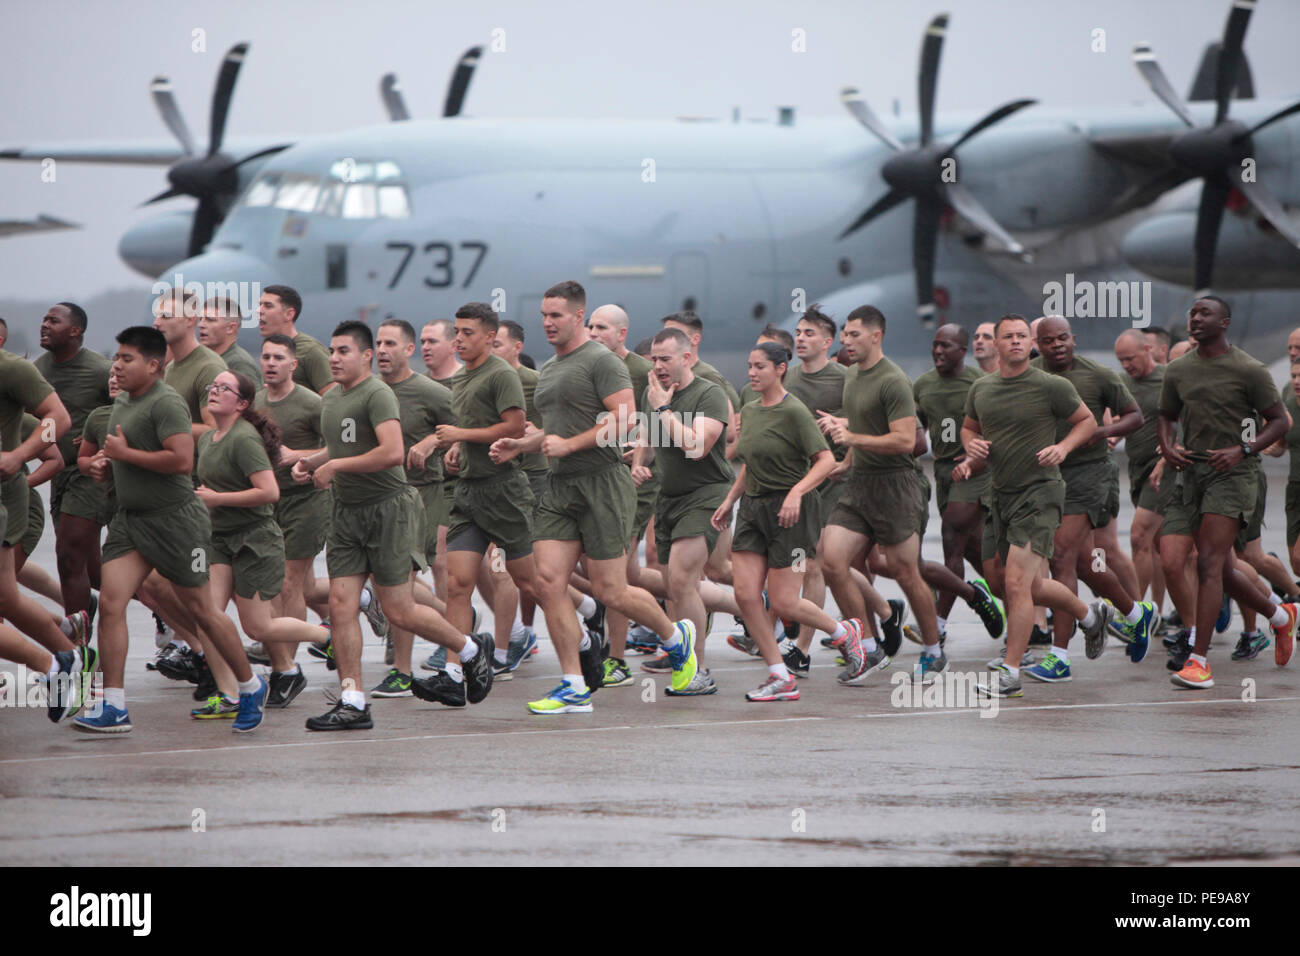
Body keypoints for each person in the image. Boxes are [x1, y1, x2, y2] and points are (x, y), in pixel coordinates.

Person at [490, 280, 695, 714]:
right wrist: (522, 446)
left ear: (578, 316)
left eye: (556, 315)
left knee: (612, 590)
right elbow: (556, 431)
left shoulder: (602, 362)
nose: (547, 322)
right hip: (561, 488)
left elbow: (623, 420)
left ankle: (677, 638)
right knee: (547, 582)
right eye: (544, 315)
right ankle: (573, 684)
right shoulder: (550, 368)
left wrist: (569, 445)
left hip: (602, 484)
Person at [291, 321, 493, 730]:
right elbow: (344, 446)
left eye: (343, 351)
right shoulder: (332, 400)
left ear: (364, 357)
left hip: (388, 510)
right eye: (331, 350)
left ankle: (469, 648)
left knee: (399, 609)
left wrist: (334, 465)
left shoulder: (378, 394)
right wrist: (312, 461)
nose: (333, 358)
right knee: (343, 606)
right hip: (347, 514)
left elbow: (391, 452)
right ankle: (353, 700)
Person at [74, 326, 266, 733]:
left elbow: (181, 460)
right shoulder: (122, 402)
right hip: (130, 521)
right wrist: (99, 466)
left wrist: (127, 454)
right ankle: (115, 706)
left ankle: (250, 685)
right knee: (111, 604)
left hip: (176, 522)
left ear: (153, 364)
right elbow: (104, 456)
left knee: (203, 612)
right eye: (117, 357)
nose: (118, 365)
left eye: (127, 359)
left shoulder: (168, 404)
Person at [957, 314, 1114, 698]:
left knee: (1016, 583)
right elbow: (968, 427)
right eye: (1007, 336)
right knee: (1006, 583)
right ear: (995, 344)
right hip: (1001, 495)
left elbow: (1087, 421)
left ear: (1031, 344)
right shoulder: (982, 388)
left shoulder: (1051, 386)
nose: (1014, 342)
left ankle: (1010, 674)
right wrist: (969, 444)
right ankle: (1090, 616)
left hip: (1040, 493)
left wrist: (1063, 446)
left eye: (1021, 336)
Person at [1158, 296, 1297, 688]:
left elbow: (1279, 421)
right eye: (1192, 313)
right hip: (1191, 473)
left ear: (1226, 322)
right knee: (1186, 560)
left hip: (1234, 475)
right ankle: (1281, 616)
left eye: (1205, 313)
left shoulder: (1248, 369)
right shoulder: (1179, 369)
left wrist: (1244, 449)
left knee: (1210, 561)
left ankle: (1198, 661)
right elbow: (1166, 416)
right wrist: (1168, 447)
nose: (1195, 319)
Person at [415, 304, 541, 704]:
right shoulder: (462, 377)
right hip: (468, 492)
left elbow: (515, 427)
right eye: (457, 331)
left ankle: (585, 643)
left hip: (504, 493)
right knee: (456, 584)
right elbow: (470, 434)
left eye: (468, 332)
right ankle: (455, 674)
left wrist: (461, 436)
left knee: (531, 581)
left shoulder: (501, 374)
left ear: (489, 337)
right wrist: (457, 451)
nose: (459, 339)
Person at [816, 306, 947, 682]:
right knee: (833, 562)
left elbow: (907, 440)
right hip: (860, 484)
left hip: (897, 487)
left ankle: (934, 651)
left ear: (876, 336)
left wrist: (852, 438)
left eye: (854, 334)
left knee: (906, 572)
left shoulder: (893, 380)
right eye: (844, 334)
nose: (845, 341)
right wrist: (848, 460)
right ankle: (871, 648)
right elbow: (864, 424)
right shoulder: (854, 376)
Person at [712, 342, 849, 700]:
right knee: (745, 594)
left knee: (784, 603)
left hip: (793, 514)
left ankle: (843, 633)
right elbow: (751, 463)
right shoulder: (751, 408)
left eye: (760, 367)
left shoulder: (795, 412)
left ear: (780, 369)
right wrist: (730, 500)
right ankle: (779, 675)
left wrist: (796, 493)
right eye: (750, 366)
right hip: (753, 509)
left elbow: (824, 461)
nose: (752, 373)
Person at [193, 369, 331, 717]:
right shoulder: (208, 439)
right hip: (220, 539)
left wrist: (219, 499)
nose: (215, 391)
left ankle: (328, 638)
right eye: (214, 386)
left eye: (224, 388)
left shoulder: (244, 439)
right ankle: (230, 696)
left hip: (255, 540)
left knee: (259, 626)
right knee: (208, 617)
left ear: (241, 403)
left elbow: (269, 492)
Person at [1029, 316, 1156, 680]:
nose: (1057, 345)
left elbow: (1135, 417)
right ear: (1039, 343)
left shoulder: (1098, 375)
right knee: (1086, 563)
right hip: (1051, 475)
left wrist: (1102, 432)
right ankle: (1135, 614)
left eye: (1063, 338)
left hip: (1090, 473)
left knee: (1061, 556)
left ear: (1073, 338)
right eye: (1049, 340)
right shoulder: (1032, 374)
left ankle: (1059, 657)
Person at [633, 327, 737, 693]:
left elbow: (696, 448)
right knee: (686, 582)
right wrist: (639, 463)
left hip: (707, 494)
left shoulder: (709, 394)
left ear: (687, 358)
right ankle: (752, 607)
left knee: (680, 579)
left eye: (666, 359)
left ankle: (698, 670)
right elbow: (649, 435)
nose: (658, 366)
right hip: (669, 497)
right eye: (654, 359)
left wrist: (664, 407)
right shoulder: (653, 395)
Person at [912, 323, 1001, 645]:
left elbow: (995, 432)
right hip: (944, 473)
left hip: (976, 471)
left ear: (962, 351)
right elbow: (914, 430)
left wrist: (972, 460)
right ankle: (1024, 607)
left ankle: (938, 623)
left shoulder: (979, 383)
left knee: (951, 536)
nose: (938, 351)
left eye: (946, 345)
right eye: (935, 344)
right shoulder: (922, 386)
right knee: (975, 552)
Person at [253, 334, 330, 705]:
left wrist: (298, 455)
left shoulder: (313, 403)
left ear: (293, 365)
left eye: (278, 358)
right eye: (266, 356)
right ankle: (353, 613)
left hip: (307, 501)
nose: (270, 363)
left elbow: (341, 447)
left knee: (288, 584)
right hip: (268, 503)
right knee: (299, 586)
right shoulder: (253, 402)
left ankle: (287, 669)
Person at [34, 301, 110, 618]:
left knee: (67, 555)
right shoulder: (36, 370)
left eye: (54, 321)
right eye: (44, 319)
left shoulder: (101, 370)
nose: (45, 325)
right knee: (91, 573)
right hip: (59, 474)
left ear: (75, 331)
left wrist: (100, 440)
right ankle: (165, 602)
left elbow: (130, 410)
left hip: (91, 476)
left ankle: (77, 648)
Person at [1114, 330, 1181, 628]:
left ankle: (1133, 614)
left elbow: (1189, 418)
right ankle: (1156, 611)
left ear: (1148, 350)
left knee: (1139, 535)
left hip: (1166, 470)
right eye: (1121, 360)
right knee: (1154, 545)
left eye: (1130, 358)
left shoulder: (1170, 378)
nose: (1126, 364)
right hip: (1139, 470)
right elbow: (1117, 419)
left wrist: (1170, 452)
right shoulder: (1123, 384)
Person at [154, 288, 225, 439]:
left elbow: (216, 430)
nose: (157, 323)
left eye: (166, 316)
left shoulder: (209, 368)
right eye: (157, 316)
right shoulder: (171, 367)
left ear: (190, 320)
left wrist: (161, 429)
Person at [257, 285, 334, 394]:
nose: (259, 311)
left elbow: (333, 398)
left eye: (268, 306)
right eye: (260, 305)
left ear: (289, 314)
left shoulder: (310, 350)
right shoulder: (268, 350)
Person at [199, 295, 261, 384]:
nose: (201, 325)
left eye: (210, 320)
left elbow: (252, 397)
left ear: (230, 328)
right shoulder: (202, 358)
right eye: (200, 319)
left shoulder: (240, 364)